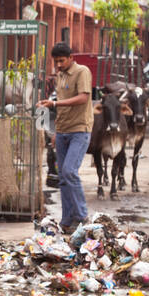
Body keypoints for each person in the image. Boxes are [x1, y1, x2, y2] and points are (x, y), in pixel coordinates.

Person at [38, 42, 92, 234]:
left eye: (61, 61)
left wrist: (54, 103)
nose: (58, 65)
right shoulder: (59, 76)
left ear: (71, 57)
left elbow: (83, 98)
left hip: (80, 130)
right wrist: (56, 133)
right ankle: (67, 221)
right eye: (56, 61)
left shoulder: (82, 71)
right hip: (63, 132)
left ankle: (83, 217)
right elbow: (61, 108)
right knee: (62, 177)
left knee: (70, 171)